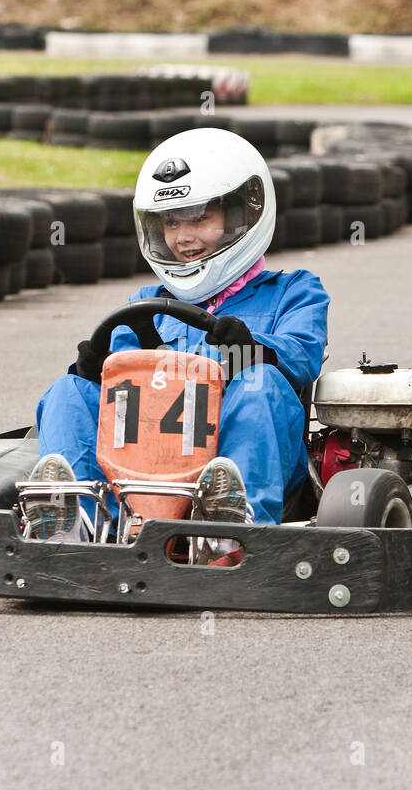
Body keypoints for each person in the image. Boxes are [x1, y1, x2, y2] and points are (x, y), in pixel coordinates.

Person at [25, 128, 330, 541]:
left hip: (241, 451)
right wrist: (94, 367)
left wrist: (253, 350)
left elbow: (301, 357)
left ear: (244, 213)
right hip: (140, 464)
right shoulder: (146, 302)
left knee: (261, 382)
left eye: (199, 217)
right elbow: (118, 383)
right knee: (67, 390)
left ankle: (230, 521)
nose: (183, 236)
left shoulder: (294, 290)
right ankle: (77, 517)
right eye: (171, 222)